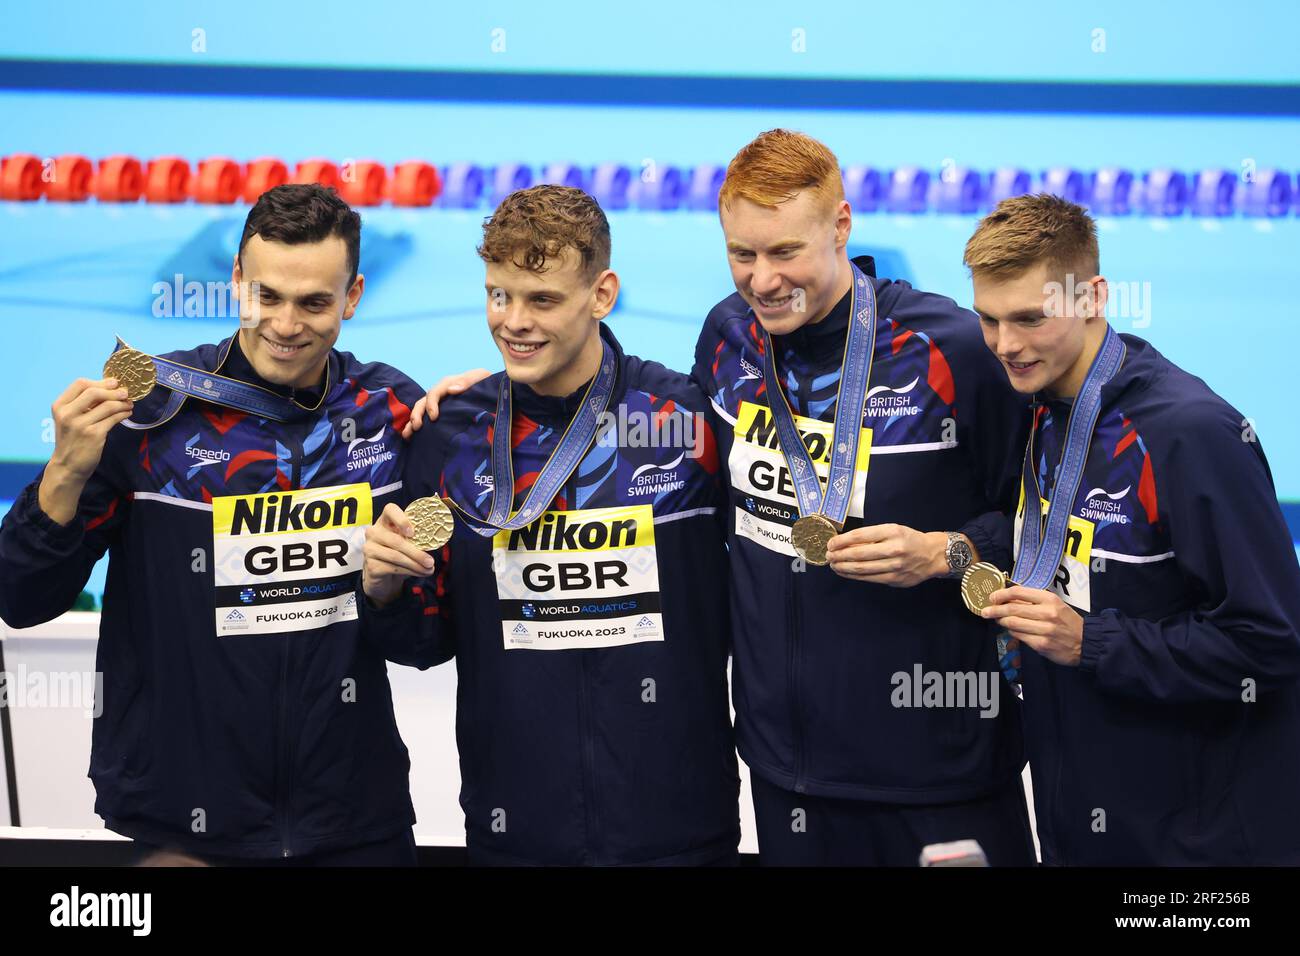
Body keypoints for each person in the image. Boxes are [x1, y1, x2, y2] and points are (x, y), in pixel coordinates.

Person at [412, 132, 1036, 866]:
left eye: (785, 252)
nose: (763, 280)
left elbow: (1044, 522)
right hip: (784, 768)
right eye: (742, 254)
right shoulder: (728, 340)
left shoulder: (953, 351)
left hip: (937, 761)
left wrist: (946, 553)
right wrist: (494, 395)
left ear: (841, 226)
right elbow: (616, 410)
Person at [0, 184, 424, 865]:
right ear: (234, 282)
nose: (285, 325)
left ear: (352, 295)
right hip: (185, 824)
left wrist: (389, 591)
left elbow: (423, 637)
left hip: (352, 819)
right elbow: (20, 600)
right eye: (266, 296)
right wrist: (63, 474)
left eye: (314, 301)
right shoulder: (153, 412)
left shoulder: (389, 411)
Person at [358, 185, 740, 866]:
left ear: (602, 294)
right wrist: (384, 589)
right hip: (517, 828)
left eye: (542, 300)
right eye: (498, 295)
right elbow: (424, 641)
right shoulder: (453, 437)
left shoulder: (686, 420)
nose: (513, 322)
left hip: (677, 824)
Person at [968, 193, 1300, 865]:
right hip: (1082, 823)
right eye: (989, 320)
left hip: (1197, 849)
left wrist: (1091, 642)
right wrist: (957, 551)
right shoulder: (1043, 410)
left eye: (1031, 318)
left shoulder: (1189, 433)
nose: (1006, 344)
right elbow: (1059, 533)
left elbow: (1271, 643)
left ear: (1092, 296)